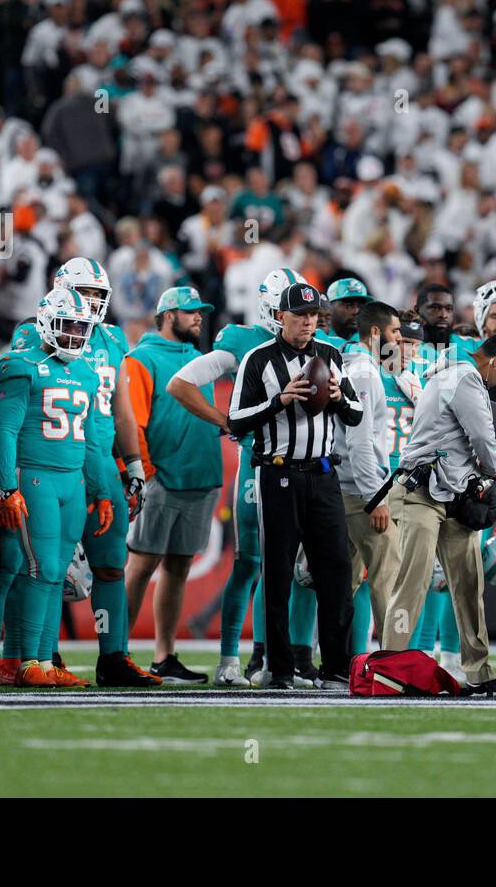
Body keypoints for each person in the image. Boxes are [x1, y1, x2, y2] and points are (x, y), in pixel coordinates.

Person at [167, 267, 321, 686]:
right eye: (286, 309)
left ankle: (280, 661)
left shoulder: (317, 345)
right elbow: (181, 383)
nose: (298, 317)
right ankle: (230, 661)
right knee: (250, 561)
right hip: (260, 465)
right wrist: (228, 421)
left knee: (293, 567)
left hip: (305, 466)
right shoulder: (243, 342)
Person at [227, 281, 363, 689]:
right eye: (300, 316)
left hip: (323, 474)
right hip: (278, 472)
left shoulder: (331, 355)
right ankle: (278, 668)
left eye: (314, 316)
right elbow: (235, 421)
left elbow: (355, 414)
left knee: (336, 572)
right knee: (278, 571)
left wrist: (338, 397)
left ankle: (335, 668)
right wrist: (280, 401)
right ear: (280, 316)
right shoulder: (259, 359)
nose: (308, 323)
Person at [383, 331, 496, 693]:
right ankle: (388, 668)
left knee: (468, 583)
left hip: (451, 492)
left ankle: (478, 673)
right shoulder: (464, 377)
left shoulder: (450, 370)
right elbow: (483, 439)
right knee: (412, 583)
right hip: (421, 491)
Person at [0, 288, 114, 687]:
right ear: (45, 322)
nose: (76, 335)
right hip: (36, 478)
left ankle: (46, 660)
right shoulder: (19, 364)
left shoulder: (85, 372)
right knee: (40, 568)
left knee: (58, 572)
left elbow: (93, 440)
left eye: (82, 327)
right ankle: (28, 660)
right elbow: (5, 430)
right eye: (68, 325)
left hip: (74, 482)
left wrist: (101, 491)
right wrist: (8, 486)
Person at [122, 287, 223, 684]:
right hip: (161, 477)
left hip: (199, 476)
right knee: (141, 565)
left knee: (178, 566)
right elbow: (132, 423)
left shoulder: (200, 360)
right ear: (166, 315)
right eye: (190, 312)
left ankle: (164, 655)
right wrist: (144, 473)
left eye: (201, 311)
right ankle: (117, 652)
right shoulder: (140, 359)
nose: (198, 317)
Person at [337, 300, 406, 644]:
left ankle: (338, 662)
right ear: (376, 332)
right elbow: (360, 441)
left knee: (344, 581)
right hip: (359, 492)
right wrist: (375, 498)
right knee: (388, 577)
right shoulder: (365, 373)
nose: (400, 339)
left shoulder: (352, 364)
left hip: (344, 488)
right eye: (395, 331)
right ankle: (393, 660)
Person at [325, 277, 373, 345]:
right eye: (349, 305)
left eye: (361, 306)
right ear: (329, 307)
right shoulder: (316, 339)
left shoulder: (368, 340)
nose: (356, 311)